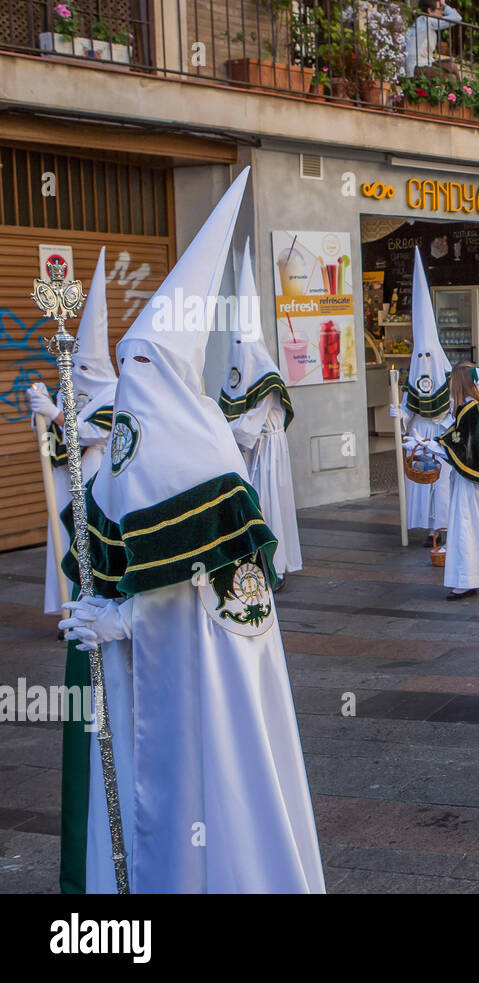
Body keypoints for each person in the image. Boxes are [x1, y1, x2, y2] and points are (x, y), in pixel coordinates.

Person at [57, 168, 324, 893]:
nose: (133, 377)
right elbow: (103, 559)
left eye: (148, 363)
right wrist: (96, 610)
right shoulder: (119, 466)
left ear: (173, 372)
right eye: (128, 362)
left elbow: (227, 608)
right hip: (144, 687)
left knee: (210, 806)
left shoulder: (209, 461)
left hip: (204, 690)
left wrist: (127, 619)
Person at [28, 246, 116, 617]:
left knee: (91, 543)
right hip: (68, 482)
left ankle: (92, 604)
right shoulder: (74, 393)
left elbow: (95, 433)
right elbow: (57, 434)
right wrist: (43, 410)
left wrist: (57, 415)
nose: (77, 372)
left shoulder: (114, 394)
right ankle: (67, 605)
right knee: (66, 540)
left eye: (84, 366)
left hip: (97, 483)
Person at [219, 239, 301, 587]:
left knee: (268, 504)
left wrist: (219, 432)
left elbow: (249, 426)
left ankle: (275, 565)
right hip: (251, 451)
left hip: (266, 449)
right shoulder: (240, 371)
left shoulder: (267, 379)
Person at [397, 247, 454, 550]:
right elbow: (409, 408)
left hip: (440, 435)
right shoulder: (414, 377)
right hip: (419, 434)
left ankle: (442, 526)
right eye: (421, 355)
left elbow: (454, 406)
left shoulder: (446, 376)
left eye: (429, 354)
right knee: (419, 482)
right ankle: (422, 527)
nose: (425, 359)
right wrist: (401, 415)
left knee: (442, 483)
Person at [436, 361, 479, 600]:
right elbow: (461, 441)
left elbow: (462, 447)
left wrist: (435, 446)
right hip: (478, 480)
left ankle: (467, 580)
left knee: (466, 528)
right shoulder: (476, 409)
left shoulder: (471, 411)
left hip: (470, 483)